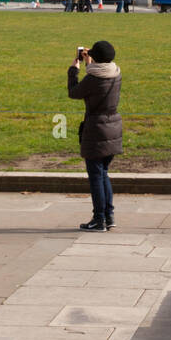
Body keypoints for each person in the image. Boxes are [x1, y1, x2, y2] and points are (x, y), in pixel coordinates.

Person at [68, 39, 123, 231]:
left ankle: (99, 220)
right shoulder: (116, 73)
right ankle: (109, 215)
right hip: (113, 127)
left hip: (96, 130)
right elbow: (99, 76)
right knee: (104, 174)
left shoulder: (92, 79)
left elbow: (74, 92)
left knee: (96, 177)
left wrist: (74, 70)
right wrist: (90, 62)